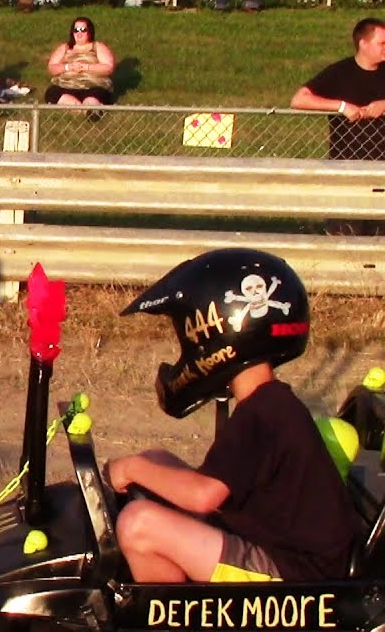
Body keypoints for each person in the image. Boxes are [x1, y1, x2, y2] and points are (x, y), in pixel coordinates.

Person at [107, 248, 360, 583]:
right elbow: (217, 488)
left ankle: (168, 629)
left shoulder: (263, 413)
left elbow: (204, 496)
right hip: (283, 549)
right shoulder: (269, 403)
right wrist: (145, 466)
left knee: (138, 525)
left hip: (296, 575)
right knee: (156, 460)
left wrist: (130, 468)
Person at [290, 17, 385, 162]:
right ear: (363, 44)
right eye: (382, 43)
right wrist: (342, 106)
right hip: (345, 161)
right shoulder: (339, 72)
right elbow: (299, 100)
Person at [44, 17, 115, 118]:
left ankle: (90, 109)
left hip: (92, 86)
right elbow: (52, 67)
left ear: (90, 32)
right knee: (53, 93)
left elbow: (108, 67)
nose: (79, 33)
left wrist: (86, 67)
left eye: (83, 30)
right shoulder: (65, 48)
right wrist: (68, 67)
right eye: (76, 30)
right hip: (66, 86)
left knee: (93, 97)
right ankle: (84, 111)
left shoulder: (97, 47)